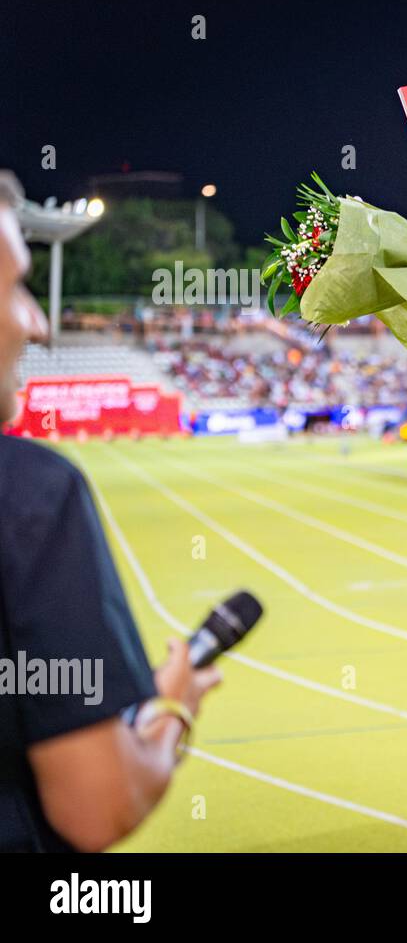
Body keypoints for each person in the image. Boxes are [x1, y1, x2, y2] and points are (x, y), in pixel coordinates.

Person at [0, 170, 221, 852]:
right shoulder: (31, 496)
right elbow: (99, 806)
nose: (37, 323)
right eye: (13, 286)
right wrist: (174, 709)